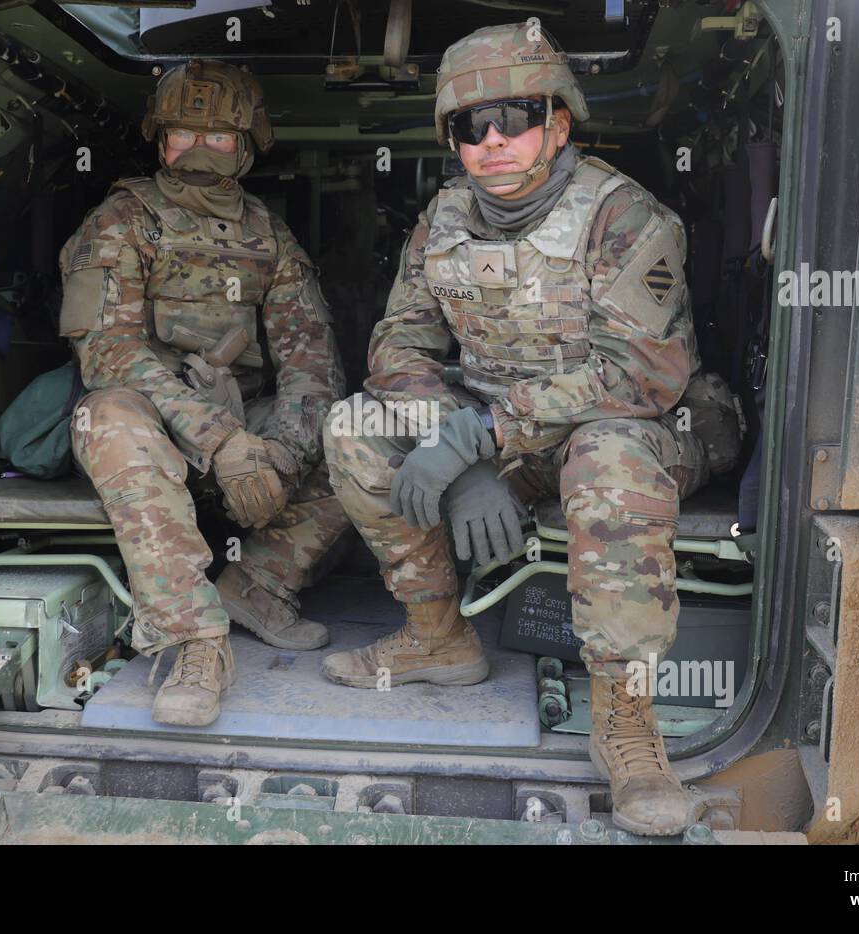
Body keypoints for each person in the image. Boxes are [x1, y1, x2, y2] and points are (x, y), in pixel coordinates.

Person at [320, 22, 713, 835]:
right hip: (498, 430)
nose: (493, 140)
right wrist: (453, 446)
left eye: (515, 117)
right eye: (471, 125)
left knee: (609, 462)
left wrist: (481, 436)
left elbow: (640, 376)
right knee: (355, 427)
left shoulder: (623, 216)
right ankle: (436, 638)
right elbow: (398, 340)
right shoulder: (446, 217)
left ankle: (628, 722)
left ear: (558, 123)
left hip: (623, 425)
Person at [58, 60, 348, 727]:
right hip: (145, 426)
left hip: (245, 424)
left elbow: (311, 369)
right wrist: (220, 440)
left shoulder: (270, 239)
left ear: (246, 147)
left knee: (364, 428)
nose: (194, 150)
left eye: (215, 137)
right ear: (159, 143)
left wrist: (276, 454)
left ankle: (258, 584)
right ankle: (197, 642)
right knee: (110, 419)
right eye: (180, 135)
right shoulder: (121, 221)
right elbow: (109, 351)